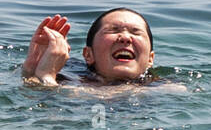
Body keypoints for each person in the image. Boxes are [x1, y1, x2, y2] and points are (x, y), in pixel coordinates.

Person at [22, 8, 160, 87]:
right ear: (88, 55)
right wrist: (33, 69)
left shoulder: (167, 90)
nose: (125, 37)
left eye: (135, 32)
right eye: (113, 30)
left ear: (150, 58)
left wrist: (45, 76)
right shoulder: (69, 80)